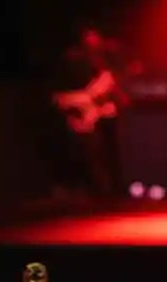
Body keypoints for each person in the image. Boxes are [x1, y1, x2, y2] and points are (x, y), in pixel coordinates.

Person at [54, 26, 127, 197]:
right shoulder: (73, 63)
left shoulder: (104, 65)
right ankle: (97, 190)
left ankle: (111, 191)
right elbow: (62, 97)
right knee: (91, 154)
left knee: (108, 153)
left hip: (102, 116)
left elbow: (109, 91)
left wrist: (112, 99)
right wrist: (81, 103)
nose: (93, 47)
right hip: (83, 116)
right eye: (89, 42)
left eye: (96, 42)